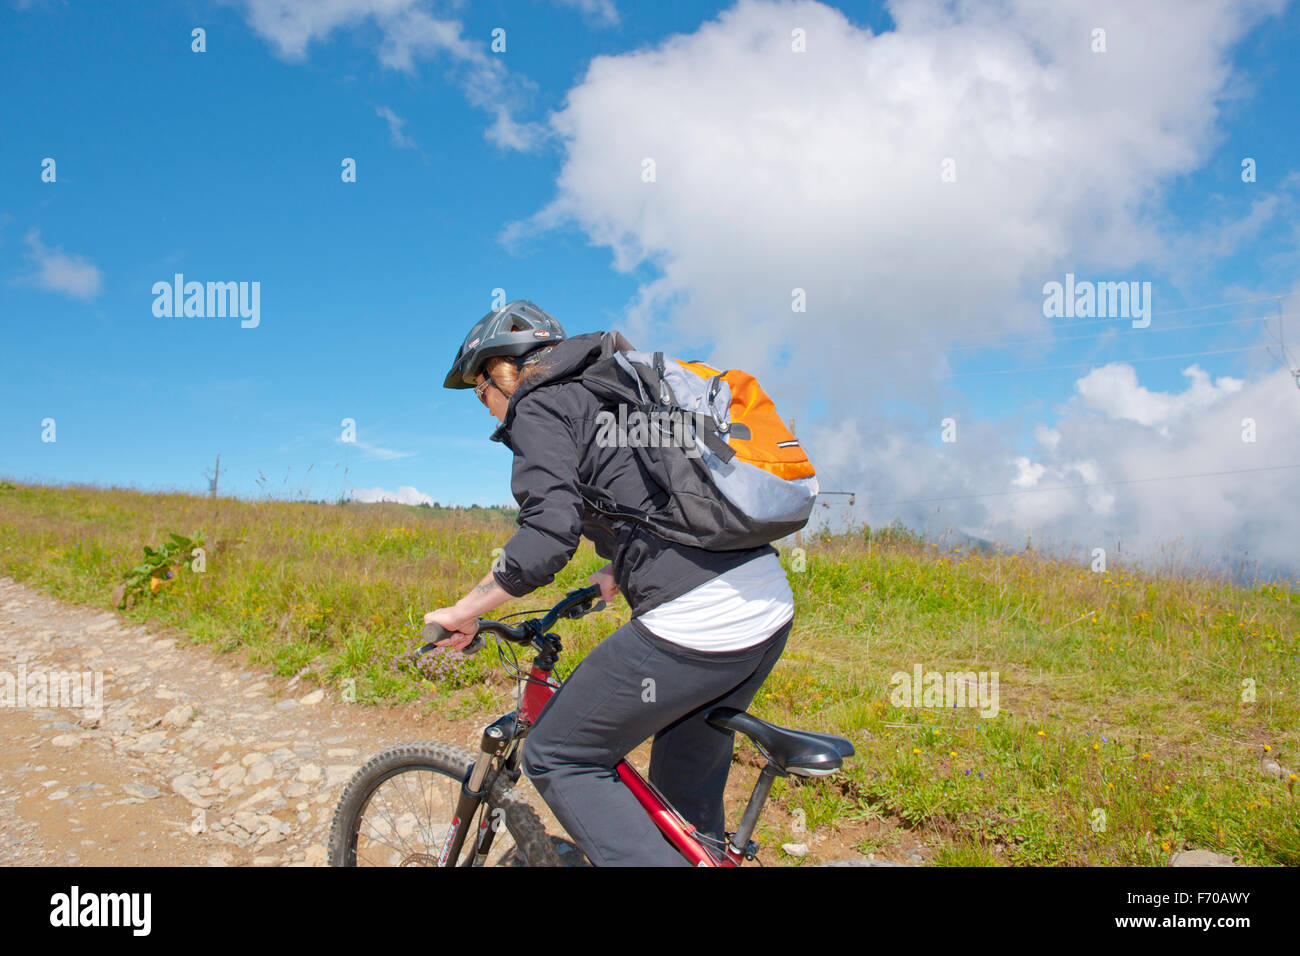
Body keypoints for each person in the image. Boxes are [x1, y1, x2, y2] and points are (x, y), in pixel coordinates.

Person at [425, 299, 795, 866]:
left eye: (481, 391)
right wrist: (619, 567)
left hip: (702, 619)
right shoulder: (613, 389)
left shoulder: (538, 403)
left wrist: (465, 609)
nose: (487, 407)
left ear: (504, 370)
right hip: (763, 601)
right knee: (681, 772)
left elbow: (548, 536)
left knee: (558, 755)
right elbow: (656, 499)